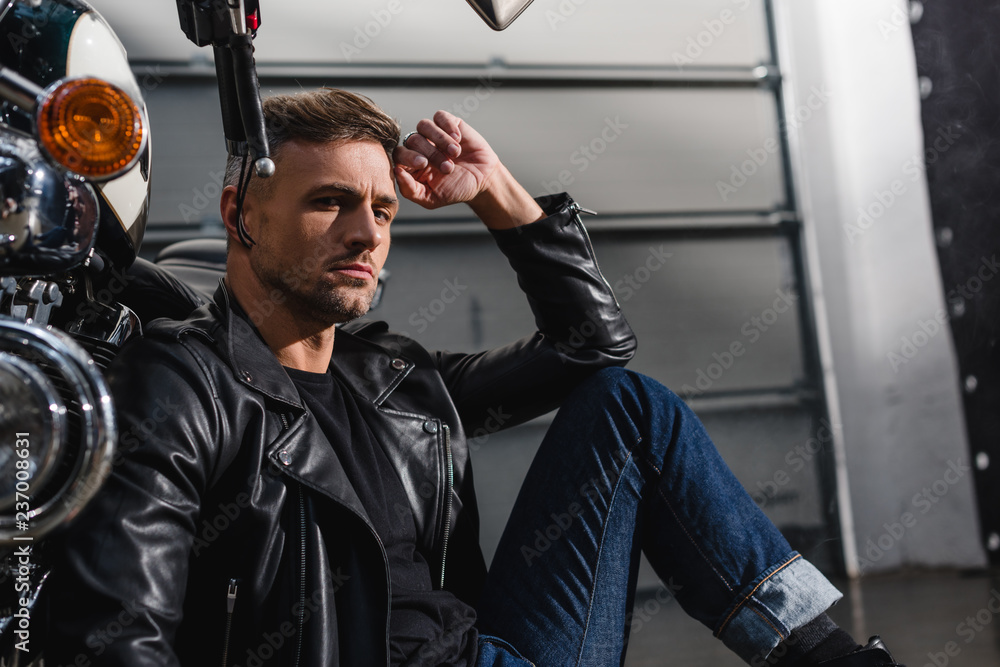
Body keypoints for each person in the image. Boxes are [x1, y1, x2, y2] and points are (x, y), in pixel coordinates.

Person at [45, 89, 903, 667]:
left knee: (629, 407)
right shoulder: (185, 382)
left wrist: (497, 193)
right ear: (240, 215)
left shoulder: (395, 378)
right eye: (329, 202)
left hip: (497, 649)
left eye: (381, 209)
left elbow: (590, 348)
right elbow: (121, 633)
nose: (366, 233)